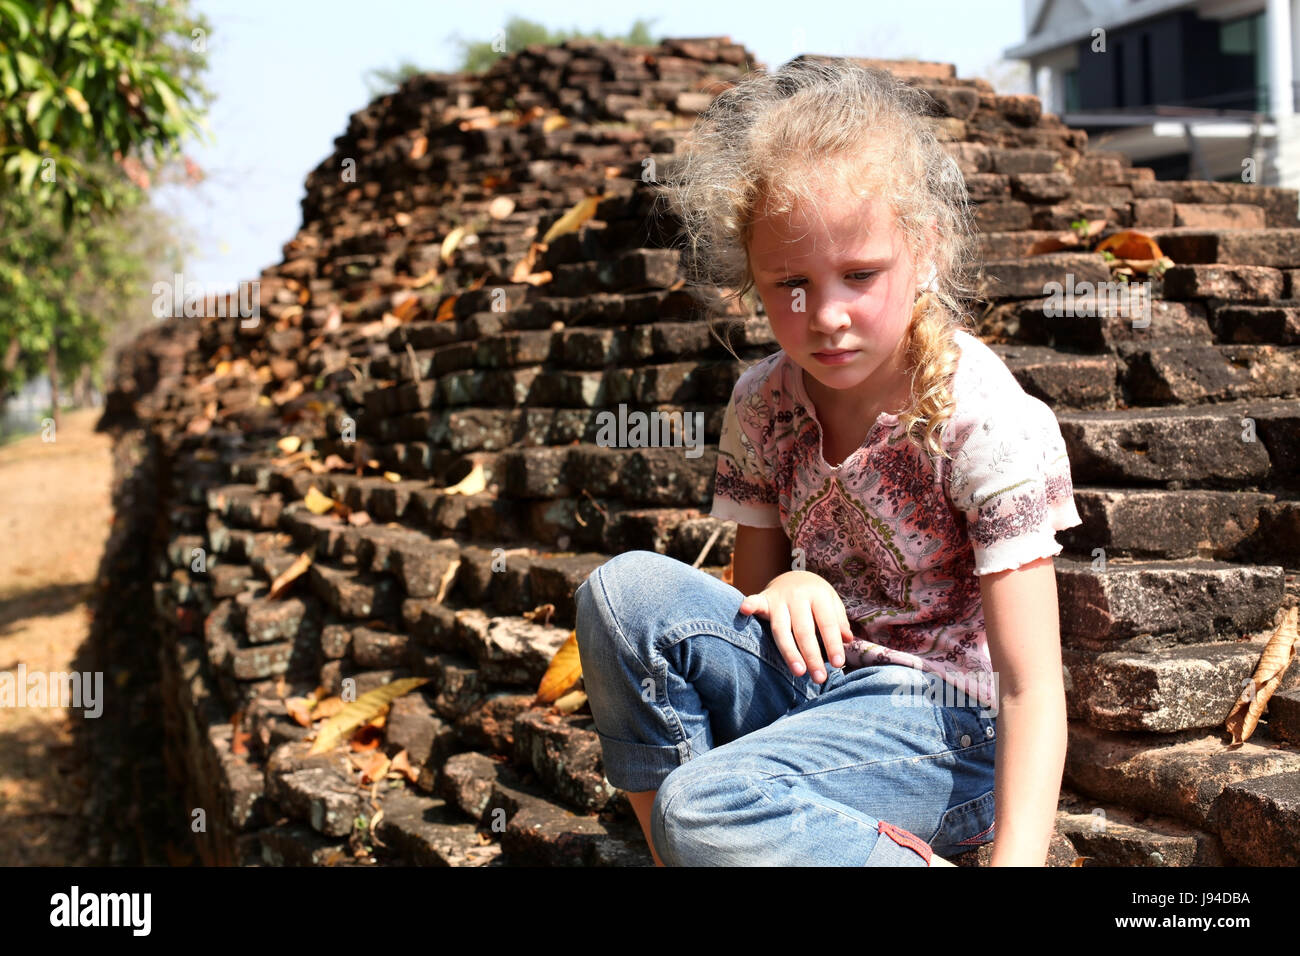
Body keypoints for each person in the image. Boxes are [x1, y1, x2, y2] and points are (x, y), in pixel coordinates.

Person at [573, 57, 1083, 866]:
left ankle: (717, 824)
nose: (829, 316)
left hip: (951, 729)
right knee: (621, 594)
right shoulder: (763, 404)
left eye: (860, 274)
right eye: (792, 285)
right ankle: (701, 846)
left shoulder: (979, 417)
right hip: (818, 691)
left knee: (703, 804)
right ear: (752, 277)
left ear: (927, 250)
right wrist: (791, 584)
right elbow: (750, 611)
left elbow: (1029, 688)